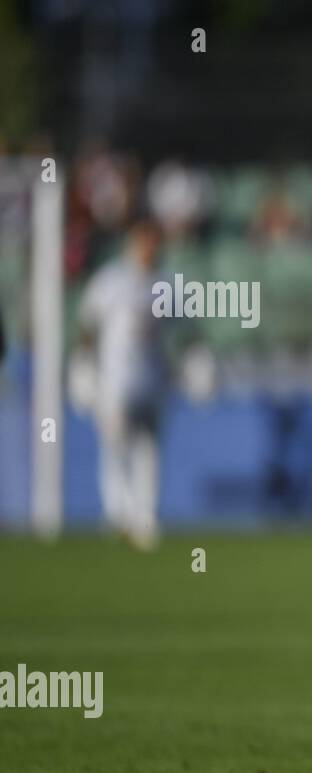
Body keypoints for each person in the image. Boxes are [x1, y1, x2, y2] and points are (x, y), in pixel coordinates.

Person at [77, 218, 166, 551]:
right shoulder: (110, 280)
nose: (148, 248)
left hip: (153, 379)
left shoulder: (167, 282)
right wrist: (84, 366)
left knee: (149, 450)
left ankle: (144, 515)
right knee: (115, 447)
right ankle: (118, 512)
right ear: (131, 243)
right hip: (115, 381)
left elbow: (184, 330)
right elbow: (88, 324)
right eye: (143, 241)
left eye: (153, 241)